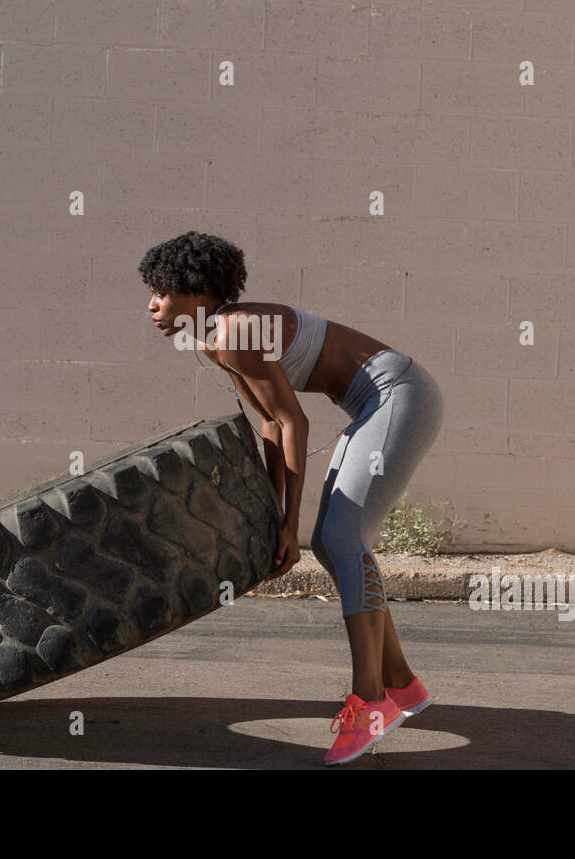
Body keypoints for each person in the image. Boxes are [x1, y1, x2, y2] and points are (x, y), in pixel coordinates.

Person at [138, 231, 445, 765]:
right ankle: (402, 683)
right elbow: (268, 424)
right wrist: (269, 512)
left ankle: (371, 700)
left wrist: (288, 525)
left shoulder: (233, 330)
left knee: (339, 537)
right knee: (339, 542)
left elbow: (292, 420)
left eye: (162, 292)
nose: (151, 304)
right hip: (379, 401)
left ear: (200, 296)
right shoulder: (215, 339)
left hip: (399, 395)